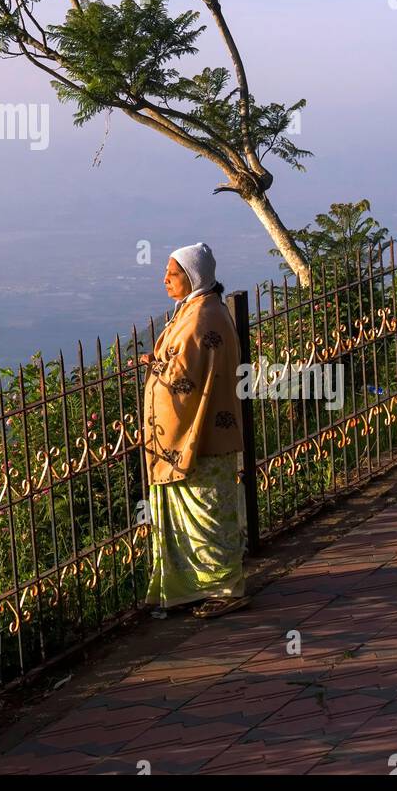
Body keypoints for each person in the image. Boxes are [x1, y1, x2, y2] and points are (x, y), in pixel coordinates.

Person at [132, 243, 249, 619]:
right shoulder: (203, 309)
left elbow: (184, 381)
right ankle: (196, 587)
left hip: (198, 441)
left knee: (208, 513)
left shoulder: (201, 317)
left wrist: (154, 367)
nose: (165, 279)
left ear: (193, 277)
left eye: (174, 273)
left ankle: (226, 589)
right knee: (206, 511)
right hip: (207, 434)